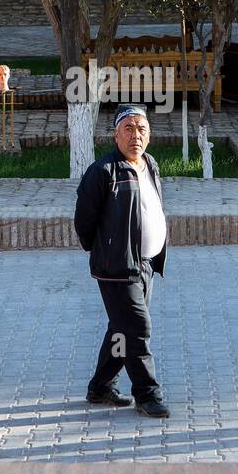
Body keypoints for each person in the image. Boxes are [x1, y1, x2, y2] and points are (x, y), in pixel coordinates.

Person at [73, 104, 170, 418]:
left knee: (122, 329)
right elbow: (83, 221)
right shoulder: (103, 172)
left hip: (146, 265)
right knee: (138, 328)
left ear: (149, 135)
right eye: (128, 128)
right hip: (116, 268)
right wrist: (105, 249)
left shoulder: (149, 164)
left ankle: (100, 387)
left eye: (141, 129)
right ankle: (147, 394)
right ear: (115, 136)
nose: (135, 135)